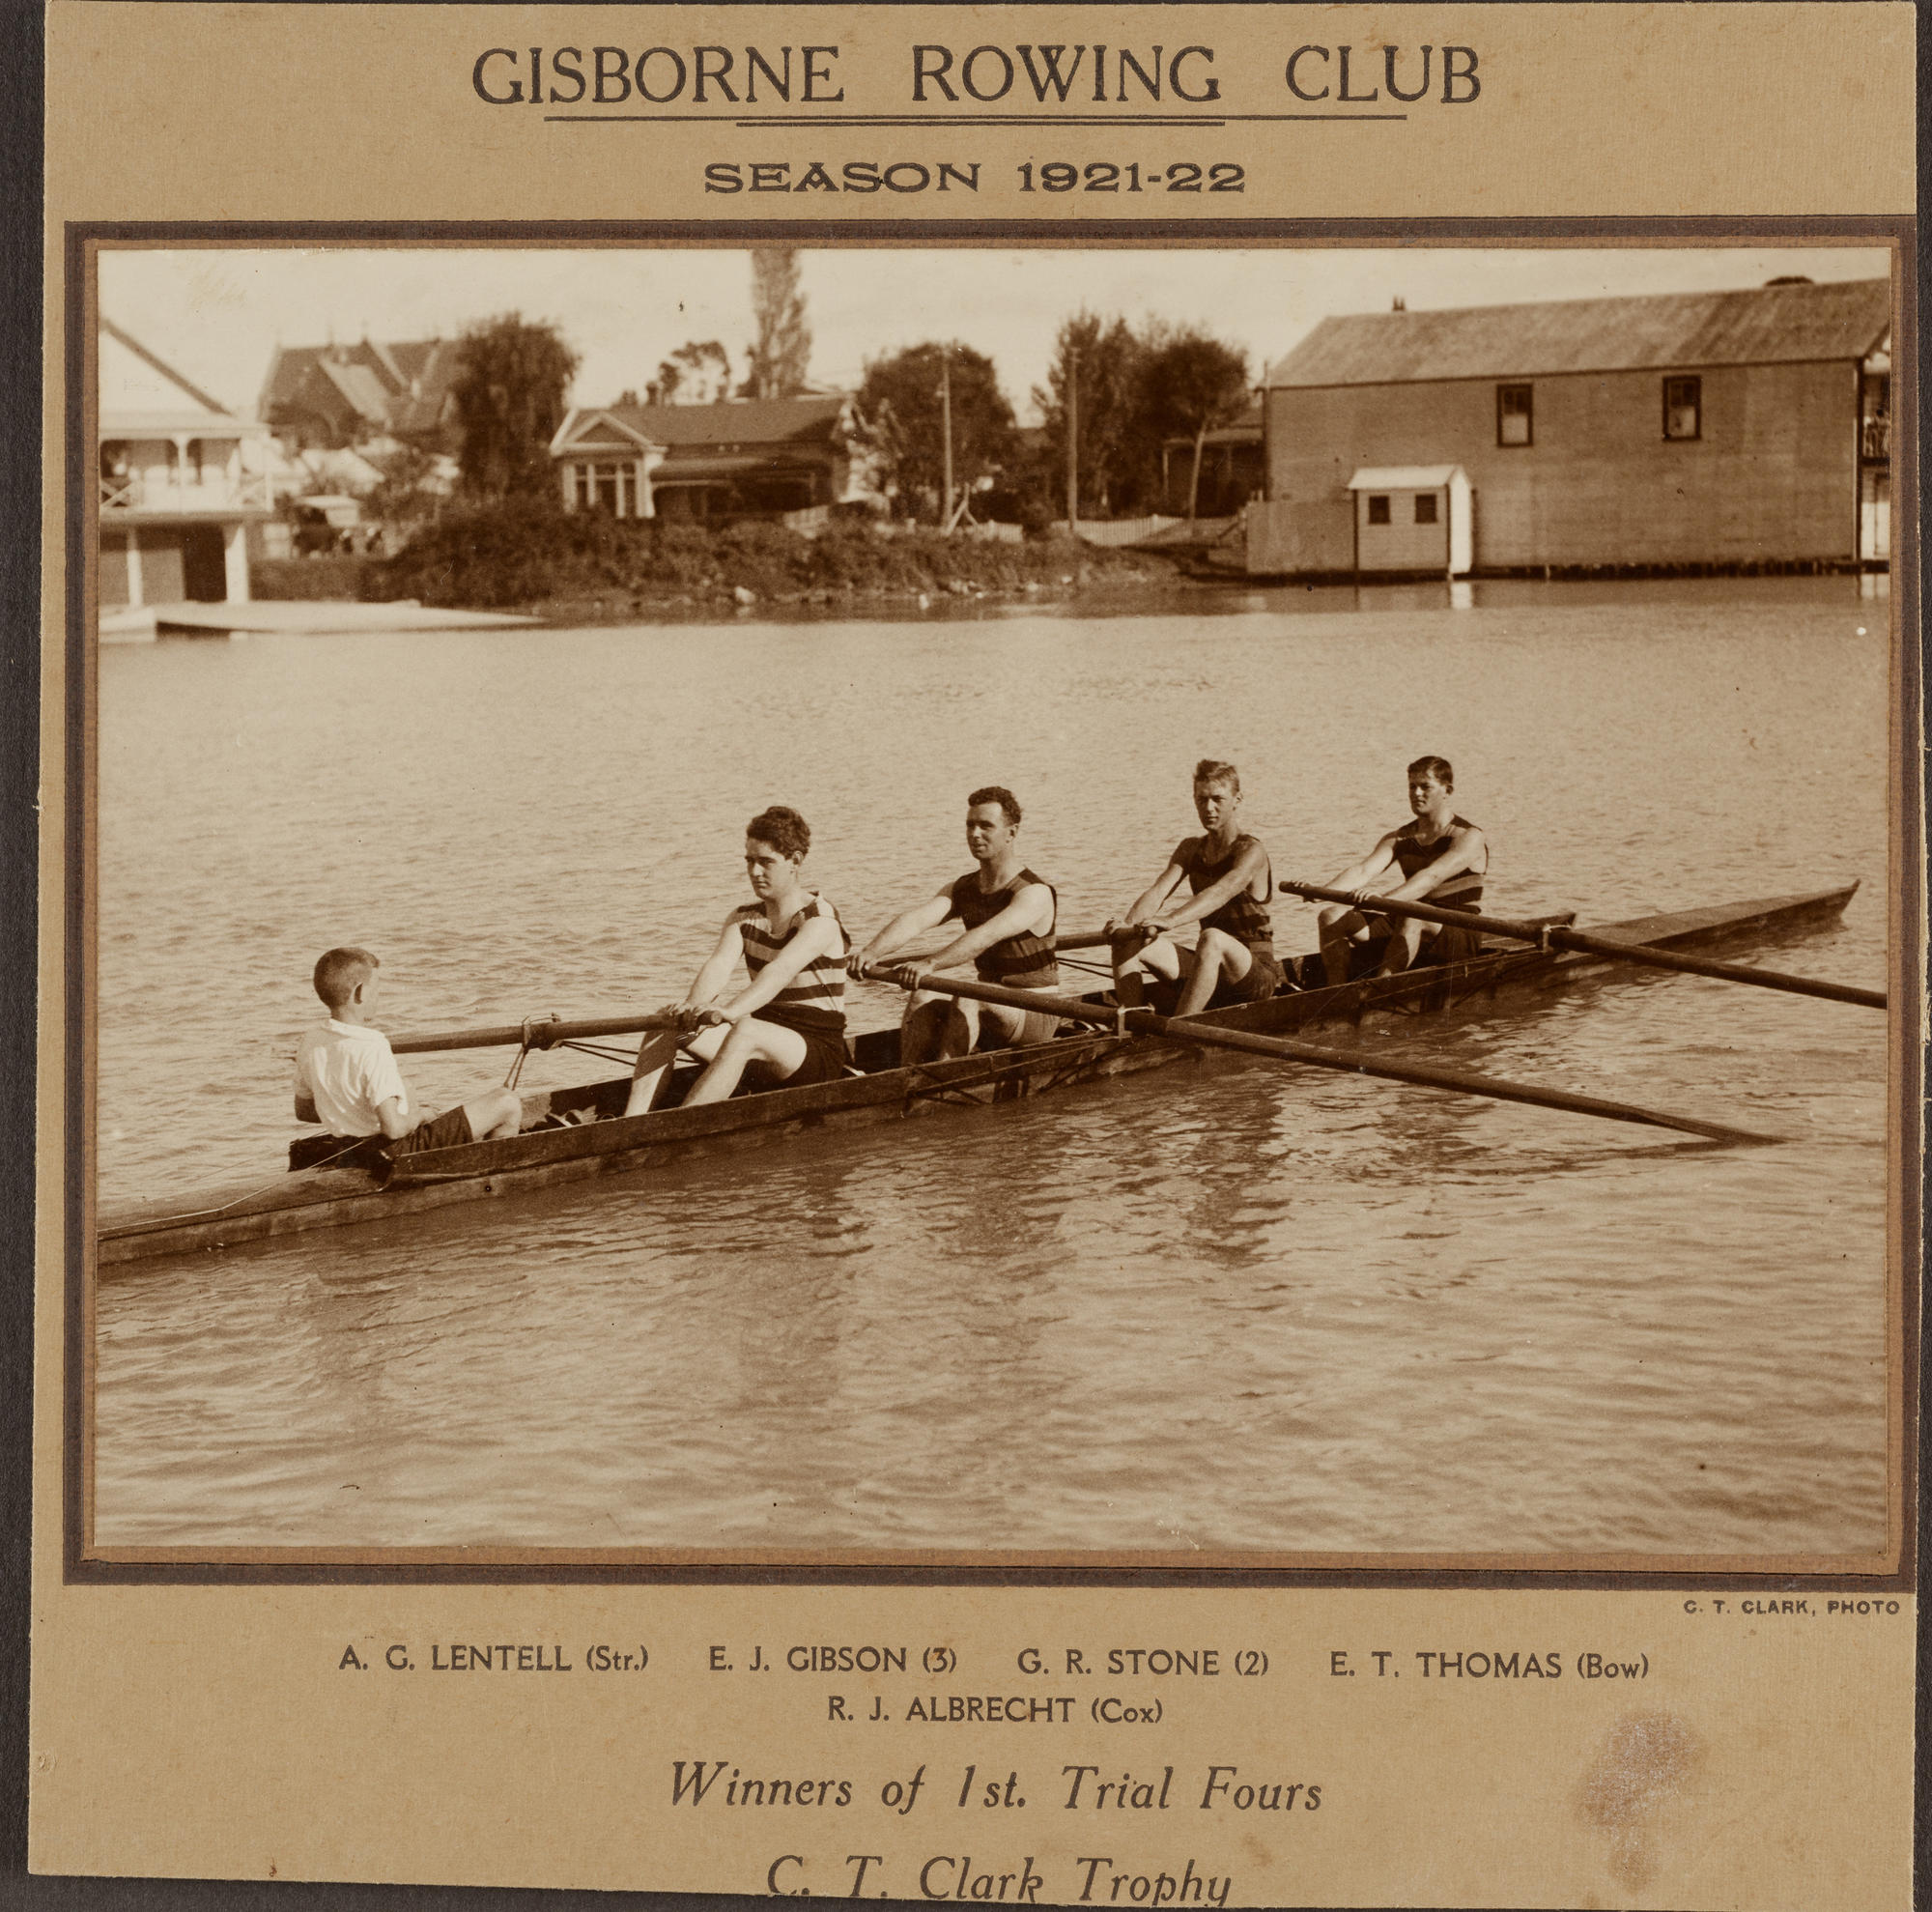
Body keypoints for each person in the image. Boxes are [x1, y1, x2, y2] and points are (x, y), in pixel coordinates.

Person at [625, 806, 850, 1115]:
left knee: (745, 1030)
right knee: (665, 1023)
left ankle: (678, 1126)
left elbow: (779, 971)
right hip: (763, 1039)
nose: (754, 872)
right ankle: (630, 1125)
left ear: (795, 861)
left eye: (766, 862)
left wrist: (730, 1011)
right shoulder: (742, 918)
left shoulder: (820, 919)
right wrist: (692, 1008)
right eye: (749, 861)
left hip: (815, 1053)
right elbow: (718, 967)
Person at [849, 786, 1061, 1064]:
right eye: (970, 825)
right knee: (923, 992)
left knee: (967, 996)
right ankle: (908, 1076)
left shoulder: (1034, 892)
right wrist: (871, 952)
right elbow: (916, 920)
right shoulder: (963, 888)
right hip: (991, 1001)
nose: (975, 834)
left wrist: (930, 964)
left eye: (986, 826)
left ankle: (944, 1077)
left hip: (1037, 1009)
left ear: (1011, 833)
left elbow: (984, 936)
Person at [293, 947, 523, 1158]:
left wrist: (349, 1116)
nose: (379, 996)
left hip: (349, 1151)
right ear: (360, 992)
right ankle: (493, 1175)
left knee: (406, 1087)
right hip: (391, 1153)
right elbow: (394, 1130)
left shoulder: (310, 1040)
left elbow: (303, 1111)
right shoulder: (372, 1044)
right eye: (377, 989)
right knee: (507, 1101)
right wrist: (420, 1116)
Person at [1106, 759, 1282, 1015]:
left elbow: (1220, 892)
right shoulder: (1190, 848)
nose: (1208, 808)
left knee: (1211, 938)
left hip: (1255, 976)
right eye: (1201, 799)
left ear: (1237, 800)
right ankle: (1133, 1022)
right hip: (1210, 966)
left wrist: (1170, 920)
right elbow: (1158, 891)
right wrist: (1128, 926)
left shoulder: (1251, 850)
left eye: (1217, 799)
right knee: (1127, 941)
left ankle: (1179, 1028)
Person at [1316, 755, 1490, 985]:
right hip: (1410, 918)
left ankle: (1379, 991)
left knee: (1412, 914)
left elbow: (1431, 877)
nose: (1416, 793)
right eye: (1412, 786)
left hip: (1459, 930)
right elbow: (1363, 871)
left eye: (1425, 786)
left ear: (1447, 791)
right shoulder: (1400, 837)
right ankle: (1335, 993)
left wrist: (1381, 901)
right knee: (1330, 916)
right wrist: (1320, 892)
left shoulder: (1468, 836)